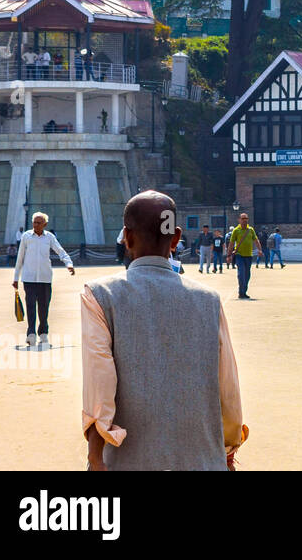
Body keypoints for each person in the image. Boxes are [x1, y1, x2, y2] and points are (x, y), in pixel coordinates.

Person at [82, 190, 247, 470]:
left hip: (129, 460)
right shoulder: (208, 299)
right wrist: (228, 450)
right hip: (202, 459)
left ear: (127, 237)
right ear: (176, 238)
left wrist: (95, 456)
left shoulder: (100, 295)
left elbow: (100, 381)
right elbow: (227, 387)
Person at [12, 211, 75, 347]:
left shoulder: (49, 237)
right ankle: (31, 334)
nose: (35, 225)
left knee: (44, 307)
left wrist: (68, 263)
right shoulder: (26, 236)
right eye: (34, 222)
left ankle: (43, 333)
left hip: (45, 278)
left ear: (45, 224)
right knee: (30, 306)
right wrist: (16, 278)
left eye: (39, 223)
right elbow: (20, 258)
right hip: (29, 278)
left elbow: (60, 250)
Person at [227, 213, 261, 299]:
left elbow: (256, 240)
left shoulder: (251, 230)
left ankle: (244, 291)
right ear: (239, 220)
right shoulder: (236, 230)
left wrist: (259, 250)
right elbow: (231, 244)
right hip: (239, 255)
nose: (245, 220)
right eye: (243, 218)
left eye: (246, 218)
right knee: (241, 273)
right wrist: (228, 255)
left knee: (247, 275)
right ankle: (241, 292)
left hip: (248, 255)